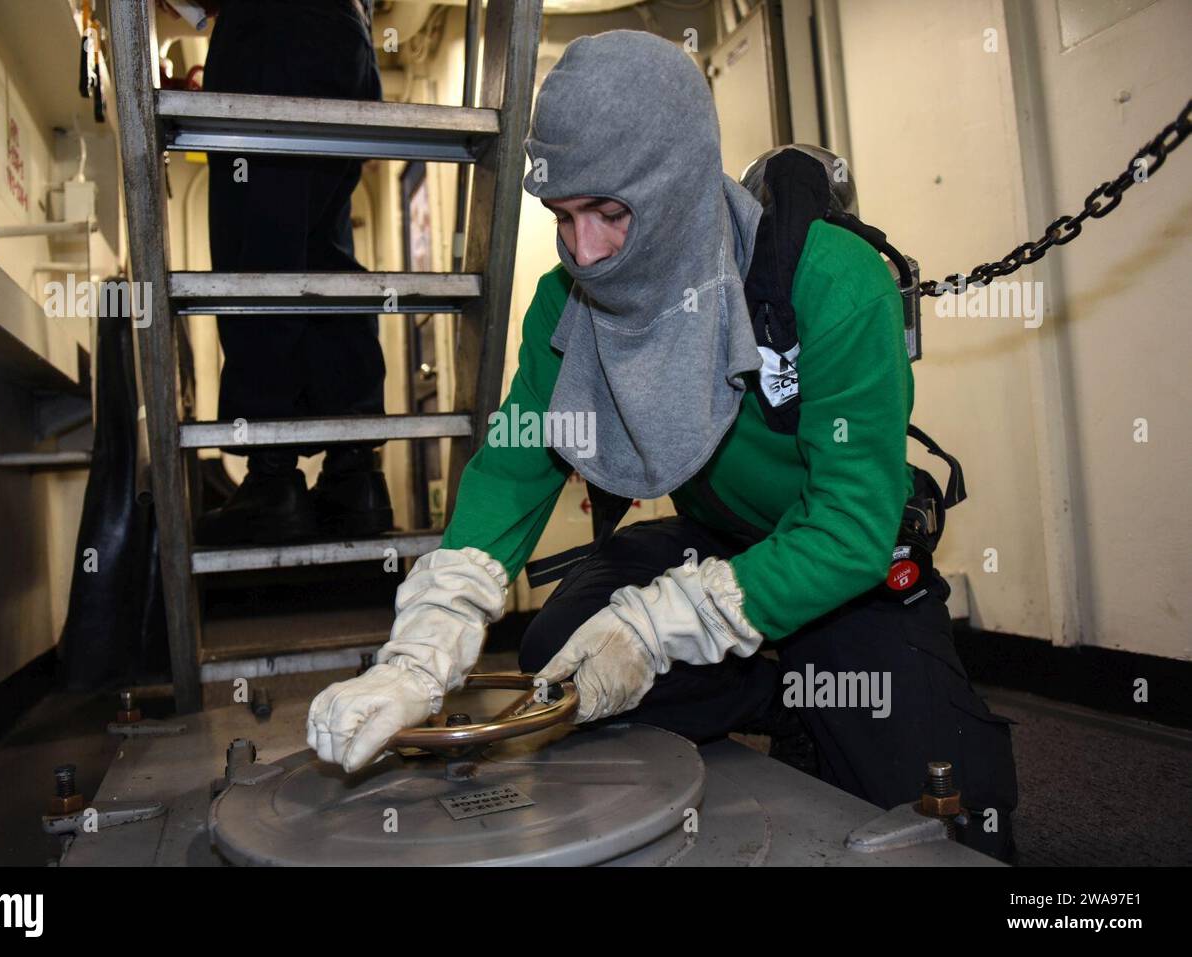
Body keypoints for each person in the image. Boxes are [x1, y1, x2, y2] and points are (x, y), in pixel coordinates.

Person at [306, 30, 1018, 862]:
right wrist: (421, 652)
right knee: (560, 659)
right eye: (565, 216)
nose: (586, 250)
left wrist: (657, 629)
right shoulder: (562, 306)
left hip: (841, 564)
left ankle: (809, 690)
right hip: (714, 543)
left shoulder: (833, 285)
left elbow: (854, 525)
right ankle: (781, 692)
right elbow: (512, 467)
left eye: (610, 212)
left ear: (679, 188)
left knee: (953, 811)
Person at [190, 0, 393, 545]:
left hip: (268, 31)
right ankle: (355, 473)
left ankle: (273, 478)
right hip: (345, 36)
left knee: (257, 254)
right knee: (322, 250)